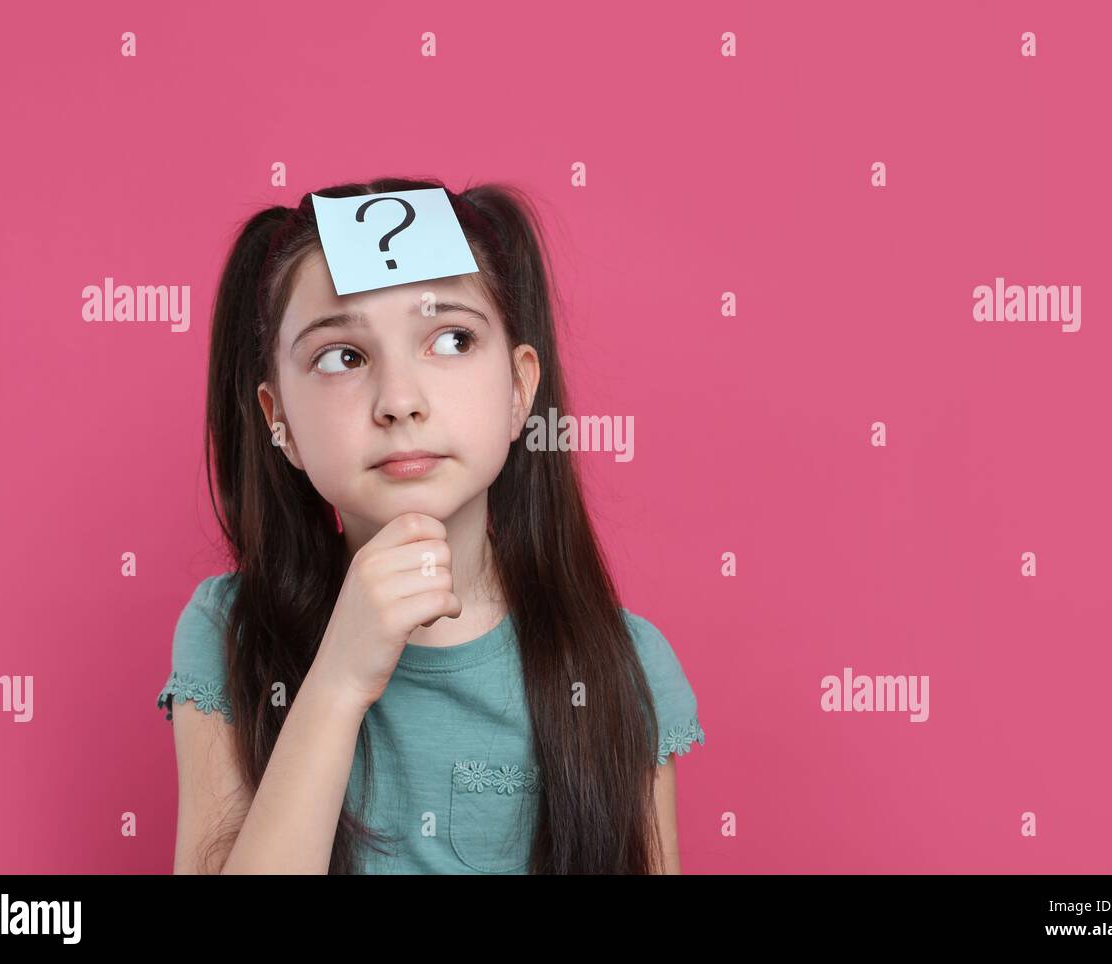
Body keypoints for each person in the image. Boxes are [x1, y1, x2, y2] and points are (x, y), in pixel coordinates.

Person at [156, 178, 705, 874]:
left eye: (451, 339)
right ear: (279, 422)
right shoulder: (231, 631)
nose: (400, 401)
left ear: (518, 389)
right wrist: (338, 680)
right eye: (342, 357)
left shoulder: (622, 665)